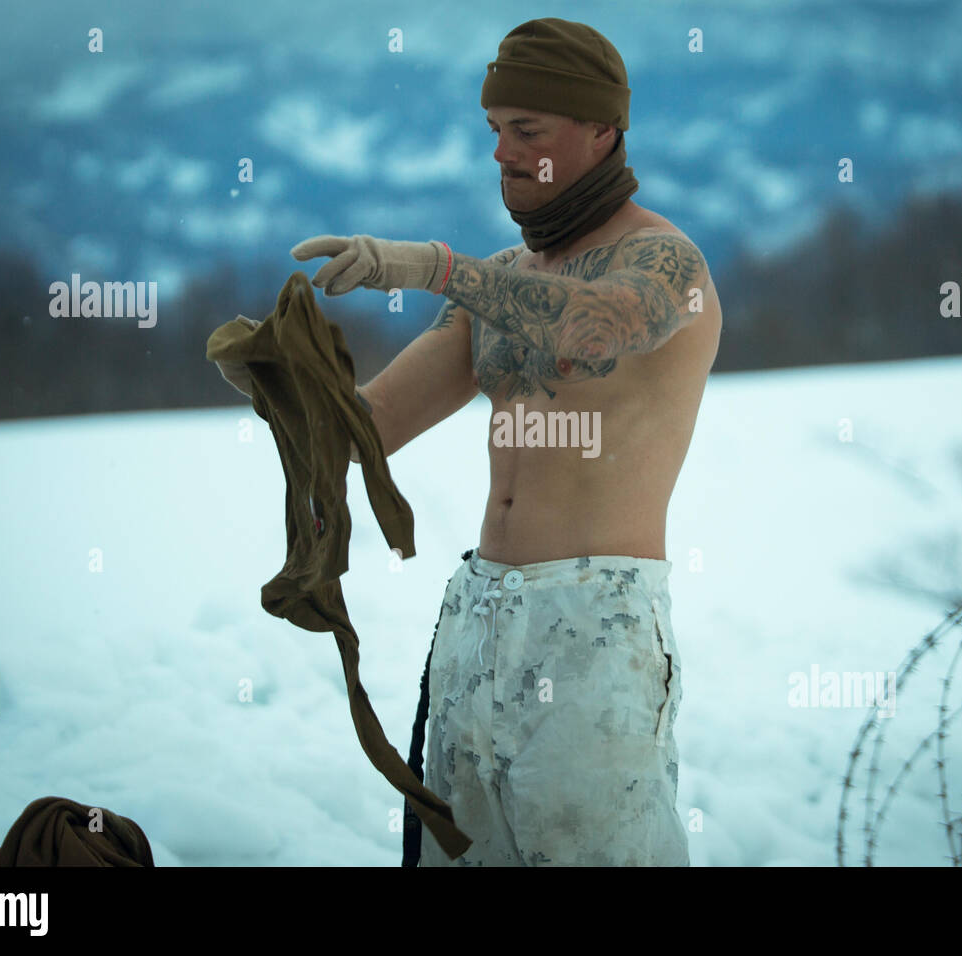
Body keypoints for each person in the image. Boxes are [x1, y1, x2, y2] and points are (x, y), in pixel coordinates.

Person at [268, 17, 721, 865]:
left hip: (596, 627)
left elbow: (597, 329)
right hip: (477, 620)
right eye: (494, 131)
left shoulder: (668, 262)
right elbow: (367, 431)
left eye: (528, 130)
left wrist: (435, 268)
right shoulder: (506, 279)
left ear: (601, 130)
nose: (502, 153)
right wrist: (279, 381)